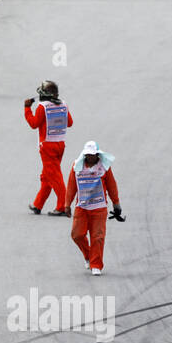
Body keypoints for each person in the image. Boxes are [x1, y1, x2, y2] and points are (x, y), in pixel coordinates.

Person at [64, 141, 123, 275]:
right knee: (77, 235)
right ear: (84, 155)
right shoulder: (77, 167)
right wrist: (67, 204)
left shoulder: (103, 168)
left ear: (97, 155)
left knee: (98, 236)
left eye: (93, 155)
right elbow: (71, 186)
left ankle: (96, 264)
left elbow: (112, 185)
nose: (90, 157)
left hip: (99, 208)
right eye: (88, 155)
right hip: (82, 208)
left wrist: (116, 203)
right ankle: (88, 255)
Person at [24, 80, 73, 215]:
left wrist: (27, 109)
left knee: (55, 177)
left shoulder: (42, 107)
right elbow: (70, 123)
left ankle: (63, 206)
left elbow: (34, 124)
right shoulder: (63, 104)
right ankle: (38, 204)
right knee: (47, 176)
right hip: (60, 145)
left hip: (47, 147)